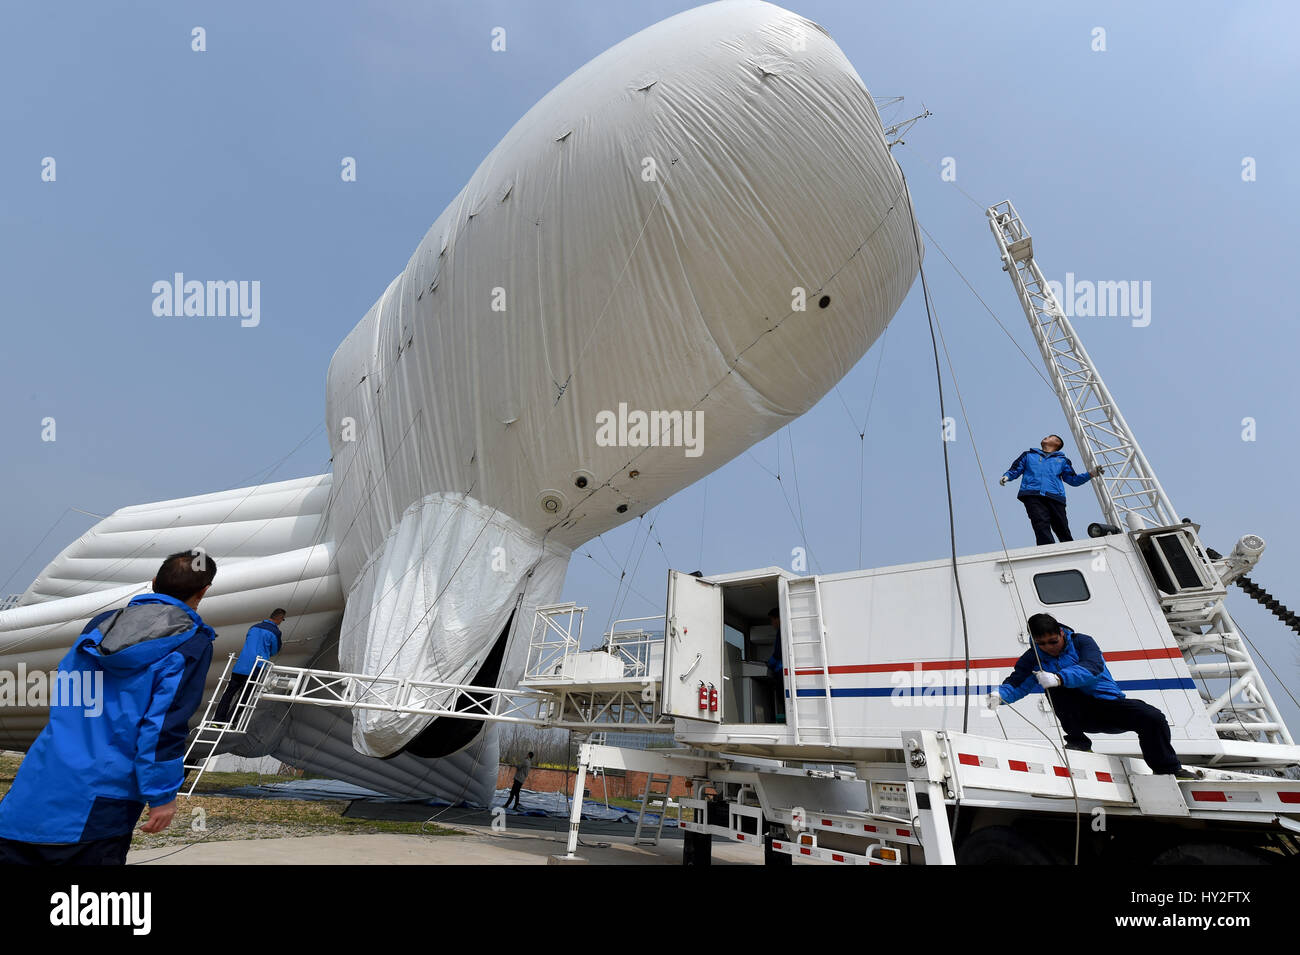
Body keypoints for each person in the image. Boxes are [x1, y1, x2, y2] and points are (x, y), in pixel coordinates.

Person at [0, 550, 218, 865]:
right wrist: (162, 796)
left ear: (154, 582)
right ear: (203, 591)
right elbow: (162, 728)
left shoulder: (101, 625)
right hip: (98, 806)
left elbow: (70, 691)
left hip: (34, 788)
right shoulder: (191, 643)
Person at [987, 613, 1198, 778]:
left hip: (1109, 706)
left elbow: (1093, 667)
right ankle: (1078, 742)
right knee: (1055, 690)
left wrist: (1059, 677)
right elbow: (1017, 682)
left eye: (1053, 641)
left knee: (1153, 717)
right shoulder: (1033, 658)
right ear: (1034, 641)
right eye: (1042, 644)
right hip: (1079, 715)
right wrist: (1000, 696)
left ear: (1061, 633)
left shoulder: (1082, 643)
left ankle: (1167, 768)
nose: (1049, 648)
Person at [1000, 434, 1102, 545]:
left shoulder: (1063, 461)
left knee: (1061, 526)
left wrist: (1091, 474)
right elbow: (1016, 469)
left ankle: (1070, 548)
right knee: (1040, 522)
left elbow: (1073, 480)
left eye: (1050, 437)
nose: (1045, 437)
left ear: (1057, 443)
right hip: (1032, 494)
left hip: (1055, 497)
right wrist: (1007, 476)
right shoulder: (1028, 455)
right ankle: (1046, 549)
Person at [215, 609, 287, 725]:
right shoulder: (275, 632)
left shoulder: (253, 627)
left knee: (229, 693)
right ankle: (231, 720)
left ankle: (217, 720)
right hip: (256, 667)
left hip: (240, 665)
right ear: (279, 618)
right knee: (245, 695)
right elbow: (275, 650)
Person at [764, 607, 785, 723]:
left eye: (772, 620)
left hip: (781, 671)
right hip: (781, 670)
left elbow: (778, 653)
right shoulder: (782, 631)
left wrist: (769, 664)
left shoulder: (781, 631)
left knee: (782, 699)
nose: (772, 624)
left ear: (778, 619)